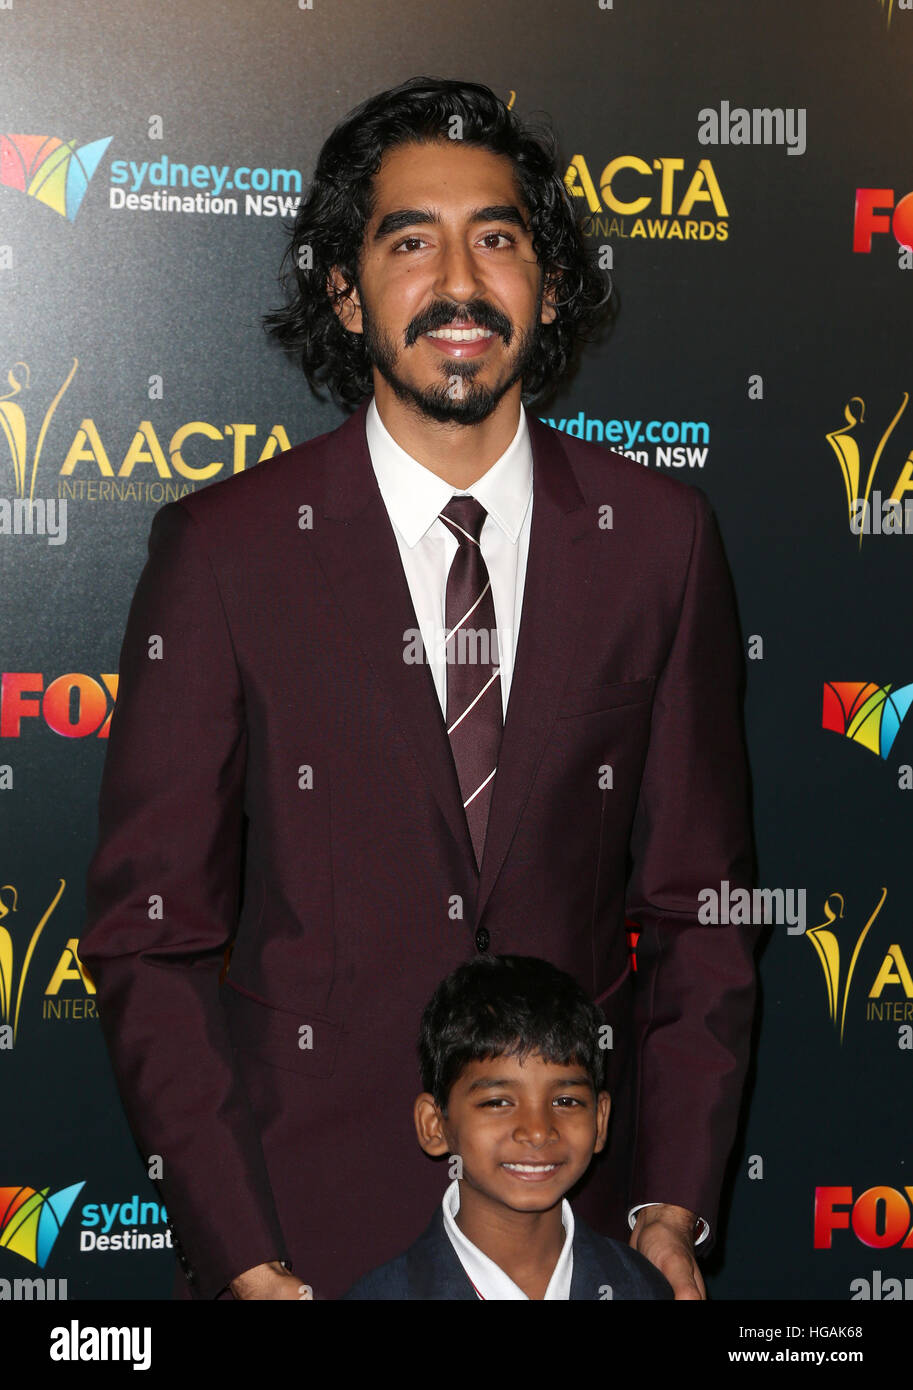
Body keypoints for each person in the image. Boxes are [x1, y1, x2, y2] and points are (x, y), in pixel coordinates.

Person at [80, 75, 756, 1303]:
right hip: (306, 1237)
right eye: (409, 241)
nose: (459, 279)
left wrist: (668, 1210)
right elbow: (150, 936)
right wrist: (239, 1254)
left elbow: (701, 911)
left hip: (575, 1237)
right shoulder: (227, 552)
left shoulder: (659, 541)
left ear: (545, 284)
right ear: (344, 292)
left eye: (496, 238)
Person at [342, 954, 673, 1300]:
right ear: (434, 1125)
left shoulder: (643, 1288)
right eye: (498, 1102)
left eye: (565, 1101)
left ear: (600, 1119)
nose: (537, 1131)